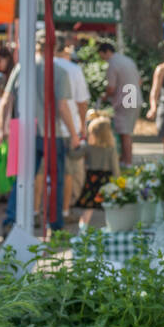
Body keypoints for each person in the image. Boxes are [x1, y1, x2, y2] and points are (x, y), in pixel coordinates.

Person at [0, 31, 76, 234]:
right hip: (52, 133)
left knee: (22, 178)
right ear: (56, 47)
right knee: (55, 181)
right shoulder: (59, 71)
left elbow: (6, 101)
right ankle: (55, 224)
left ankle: (11, 219)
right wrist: (75, 134)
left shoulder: (21, 68)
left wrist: (2, 128)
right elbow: (62, 107)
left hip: (23, 131)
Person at [56, 35, 91, 214]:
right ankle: (64, 210)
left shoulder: (34, 66)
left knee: (40, 173)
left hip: (40, 129)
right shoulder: (72, 69)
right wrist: (81, 128)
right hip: (67, 129)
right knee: (68, 173)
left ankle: (37, 210)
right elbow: (81, 102)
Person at [100, 41, 141, 165]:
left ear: (106, 52)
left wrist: (104, 97)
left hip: (125, 101)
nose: (102, 58)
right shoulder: (127, 60)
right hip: (135, 99)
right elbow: (139, 81)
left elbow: (111, 88)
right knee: (127, 133)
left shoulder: (113, 64)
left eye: (101, 55)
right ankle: (125, 160)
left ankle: (127, 162)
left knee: (124, 134)